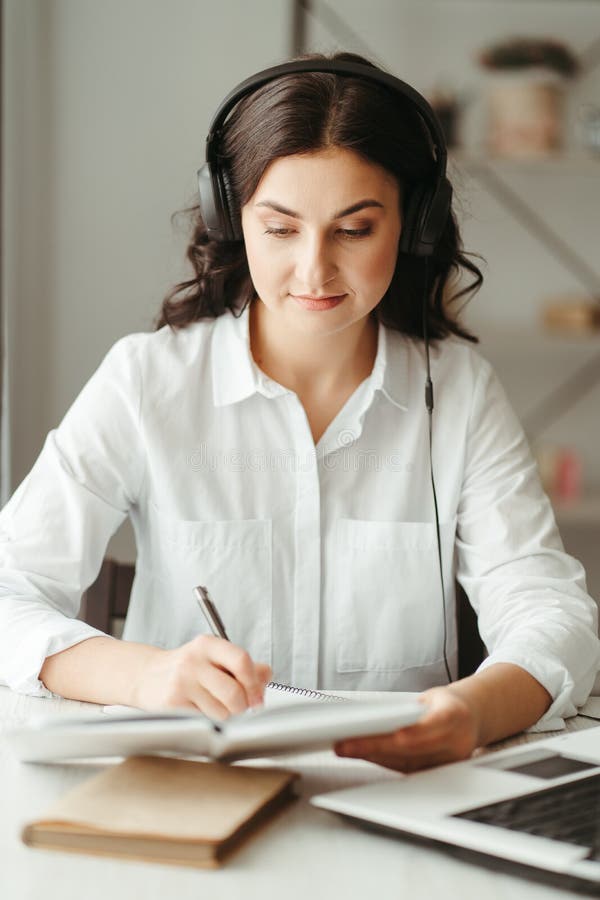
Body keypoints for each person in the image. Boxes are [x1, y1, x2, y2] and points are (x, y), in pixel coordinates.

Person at [0, 52, 598, 774]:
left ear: (413, 226)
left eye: (354, 230)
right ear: (232, 218)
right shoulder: (146, 380)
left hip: (395, 800)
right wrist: (142, 676)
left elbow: (553, 614)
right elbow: (9, 590)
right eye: (281, 229)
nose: (314, 271)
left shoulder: (462, 393)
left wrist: (476, 710)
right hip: (187, 797)